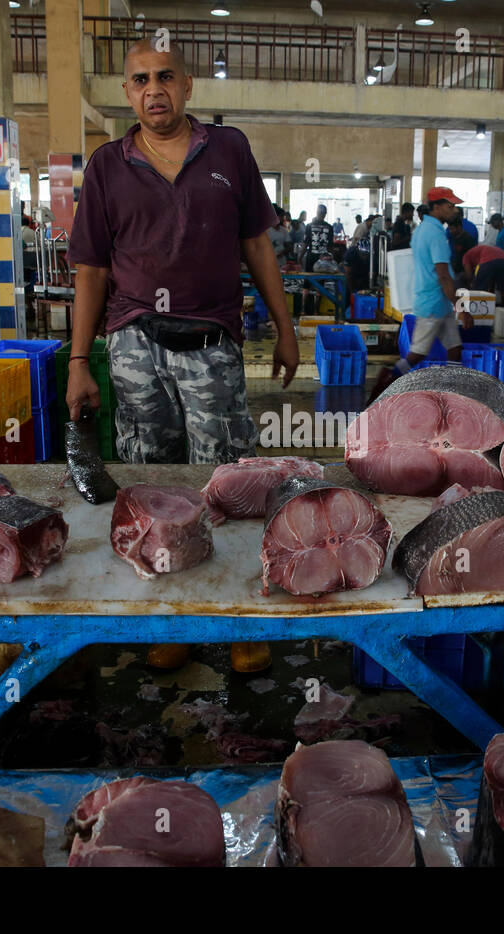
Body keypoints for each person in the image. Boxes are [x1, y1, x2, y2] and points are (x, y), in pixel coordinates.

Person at [65, 38, 298, 675]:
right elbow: (90, 269)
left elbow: (256, 243)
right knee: (154, 490)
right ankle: (174, 617)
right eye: (140, 79)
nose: (153, 89)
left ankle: (240, 620)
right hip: (134, 342)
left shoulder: (229, 150)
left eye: (165, 76)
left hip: (212, 342)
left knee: (223, 487)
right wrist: (79, 361)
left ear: (188, 84)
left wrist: (284, 327)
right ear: (126, 92)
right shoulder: (107, 165)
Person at [370, 186, 471, 401]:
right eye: (450, 206)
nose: (455, 210)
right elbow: (443, 275)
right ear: (436, 207)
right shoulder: (435, 235)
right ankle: (384, 387)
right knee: (418, 354)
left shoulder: (423, 230)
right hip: (433, 302)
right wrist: (461, 309)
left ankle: (452, 395)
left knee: (455, 348)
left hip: (438, 300)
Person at [304, 203, 334, 271]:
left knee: (310, 277)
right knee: (320, 279)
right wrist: (332, 257)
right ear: (325, 214)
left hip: (312, 257)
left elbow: (305, 243)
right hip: (324, 258)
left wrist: (300, 257)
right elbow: (330, 245)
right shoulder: (329, 227)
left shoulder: (309, 226)